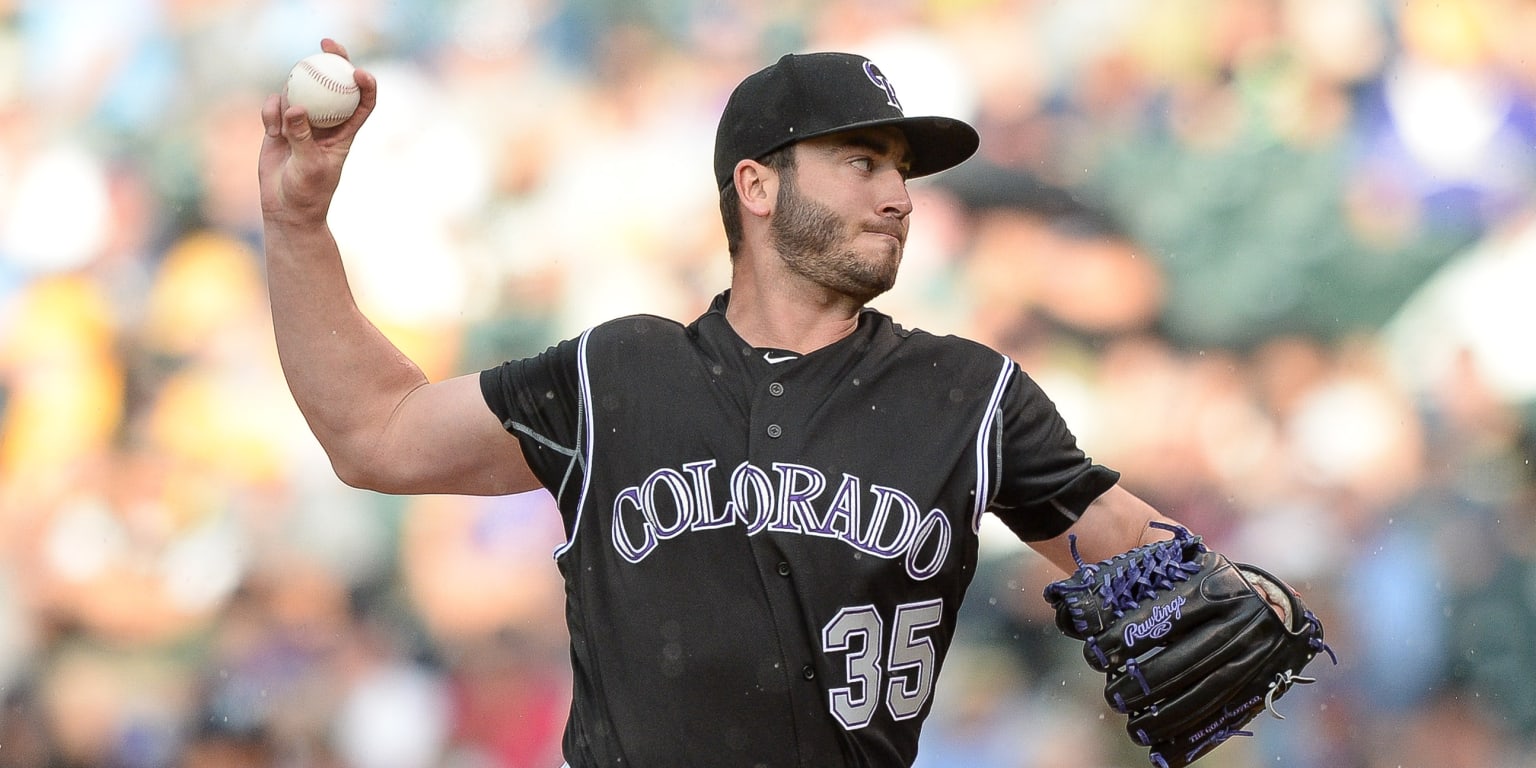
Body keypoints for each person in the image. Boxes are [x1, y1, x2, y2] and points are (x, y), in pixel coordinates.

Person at [260, 39, 1184, 767]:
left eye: (901, 170)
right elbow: (374, 433)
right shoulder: (616, 375)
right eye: (862, 162)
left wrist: (1236, 590)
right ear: (756, 185)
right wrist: (298, 220)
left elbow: (1141, 554)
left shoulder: (968, 394)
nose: (899, 196)